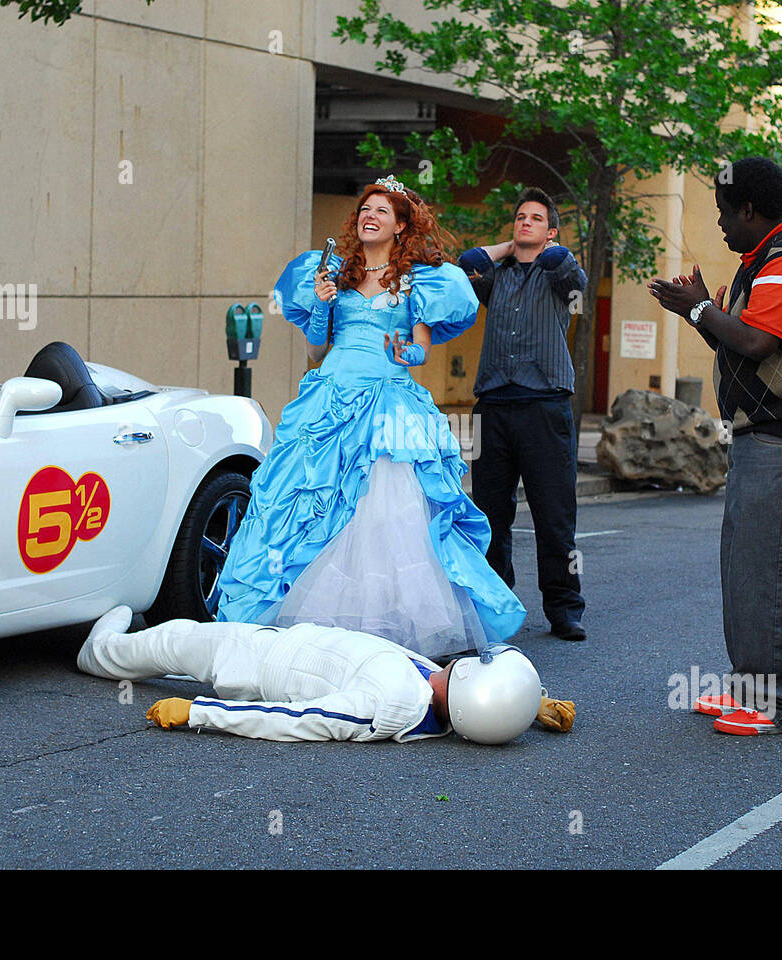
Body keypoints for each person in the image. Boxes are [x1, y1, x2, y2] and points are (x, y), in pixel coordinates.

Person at [214, 177, 526, 662]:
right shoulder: (334, 274)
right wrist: (320, 304)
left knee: (383, 513)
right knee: (307, 502)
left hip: (386, 403)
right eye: (365, 208)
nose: (370, 216)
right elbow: (319, 349)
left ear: (400, 225)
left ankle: (384, 628)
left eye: (382, 210)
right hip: (330, 398)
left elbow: (420, 351)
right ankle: (307, 628)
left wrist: (401, 349)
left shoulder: (417, 281)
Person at [647, 157, 782, 736]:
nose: (718, 224)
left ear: (748, 209)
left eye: (721, 213)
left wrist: (697, 308)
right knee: (746, 564)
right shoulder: (759, 261)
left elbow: (759, 342)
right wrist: (700, 314)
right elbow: (737, 344)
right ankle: (747, 686)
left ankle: (775, 700)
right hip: (766, 434)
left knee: (768, 566)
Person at [76, 606, 575, 743]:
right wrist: (528, 705)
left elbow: (292, 719)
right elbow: (487, 703)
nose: (464, 662)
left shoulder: (382, 708)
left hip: (254, 663)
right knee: (177, 640)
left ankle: (96, 650)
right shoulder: (441, 701)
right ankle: (113, 641)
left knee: (168, 643)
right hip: (280, 645)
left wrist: (200, 712)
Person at [458, 188, 588, 642]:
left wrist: (543, 247)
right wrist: (509, 248)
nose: (524, 222)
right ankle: (497, 605)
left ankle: (564, 608)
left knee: (555, 515)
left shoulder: (560, 273)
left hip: (545, 406)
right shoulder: (498, 276)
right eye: (519, 217)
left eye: (535, 218)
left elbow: (567, 271)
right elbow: (465, 262)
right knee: (490, 514)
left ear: (551, 231)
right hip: (494, 405)